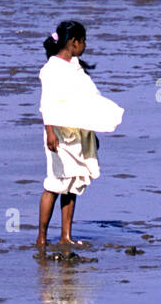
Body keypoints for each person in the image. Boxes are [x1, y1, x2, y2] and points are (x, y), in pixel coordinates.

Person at [37, 20, 123, 251]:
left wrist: (92, 133)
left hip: (77, 133)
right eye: (83, 41)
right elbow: (47, 104)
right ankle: (42, 237)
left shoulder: (75, 67)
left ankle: (66, 235)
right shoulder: (52, 69)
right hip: (58, 134)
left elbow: (87, 101)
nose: (85, 45)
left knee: (72, 184)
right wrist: (50, 133)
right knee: (55, 184)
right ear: (73, 42)